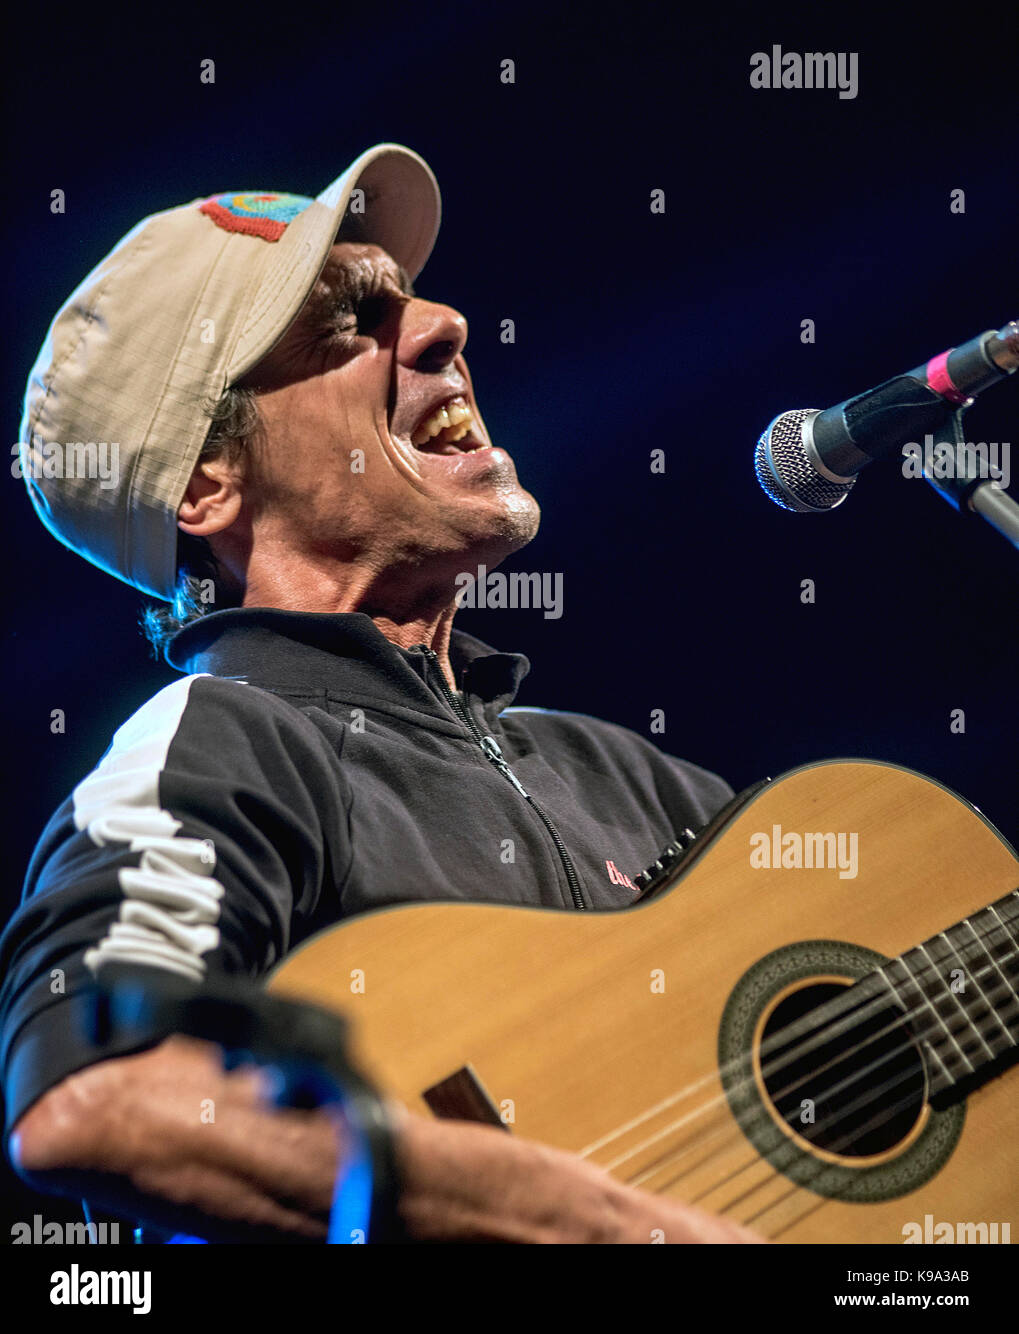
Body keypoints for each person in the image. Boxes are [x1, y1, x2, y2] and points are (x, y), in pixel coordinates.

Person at [2, 143, 760, 1244]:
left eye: (408, 301)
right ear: (208, 481)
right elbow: (96, 1096)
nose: (446, 324)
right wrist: (595, 1221)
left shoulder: (629, 776)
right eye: (353, 322)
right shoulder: (218, 741)